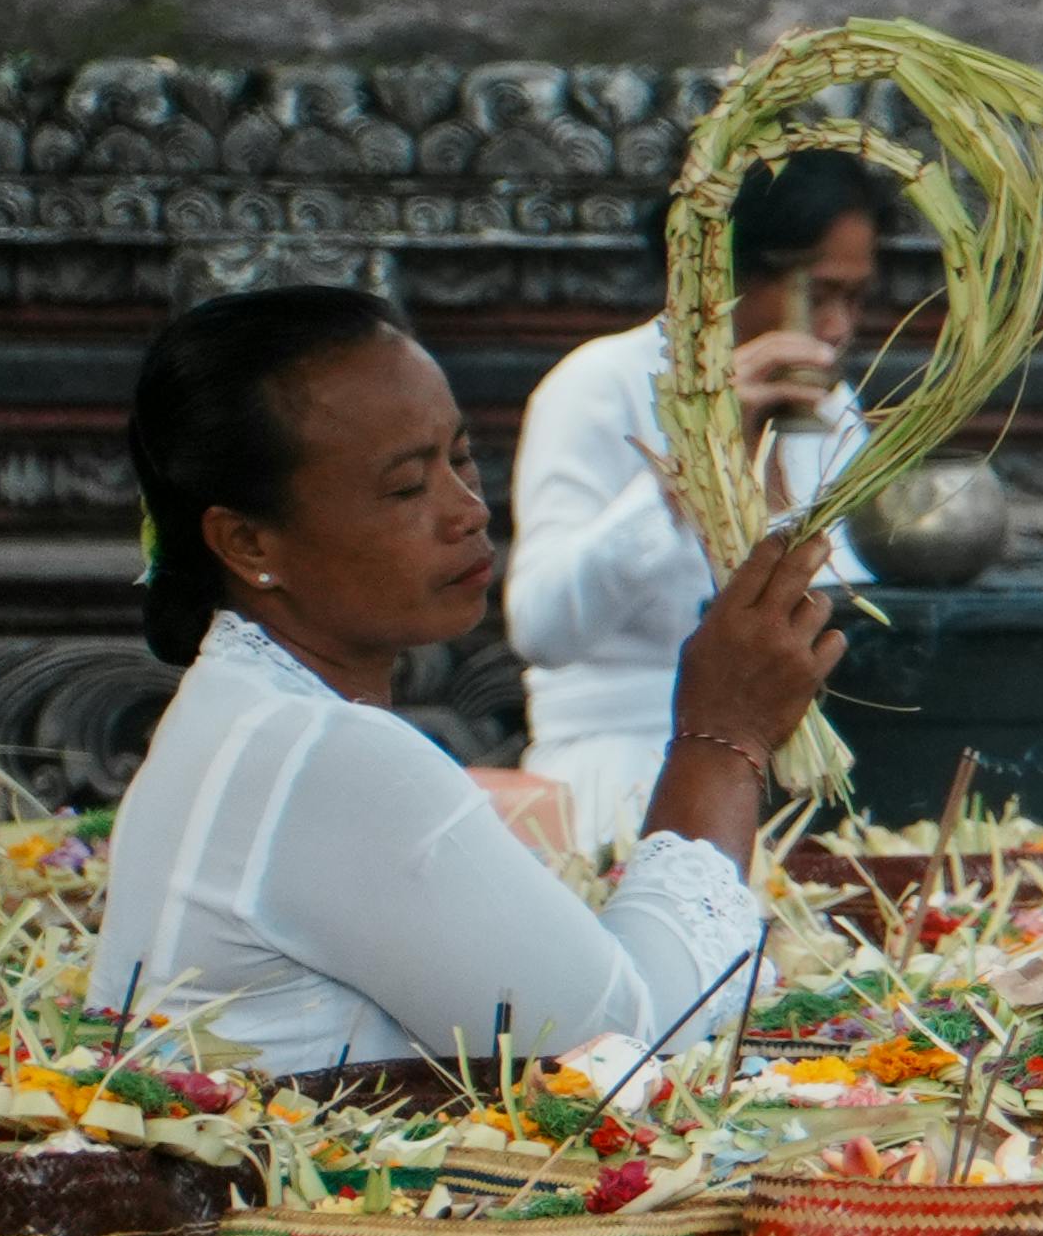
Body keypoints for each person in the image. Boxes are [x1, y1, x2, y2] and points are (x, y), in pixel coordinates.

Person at [100, 287, 842, 1082]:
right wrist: (721, 739)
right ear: (248, 542)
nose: (467, 510)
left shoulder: (250, 713)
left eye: (459, 457)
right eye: (405, 488)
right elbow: (616, 1052)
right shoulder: (318, 750)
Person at [511, 151, 893, 848]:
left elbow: (853, 610)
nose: (837, 327)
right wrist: (689, 468)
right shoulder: (602, 383)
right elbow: (540, 626)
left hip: (807, 785)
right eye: (821, 293)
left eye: (856, 298)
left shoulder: (831, 407)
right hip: (624, 768)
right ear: (728, 276)